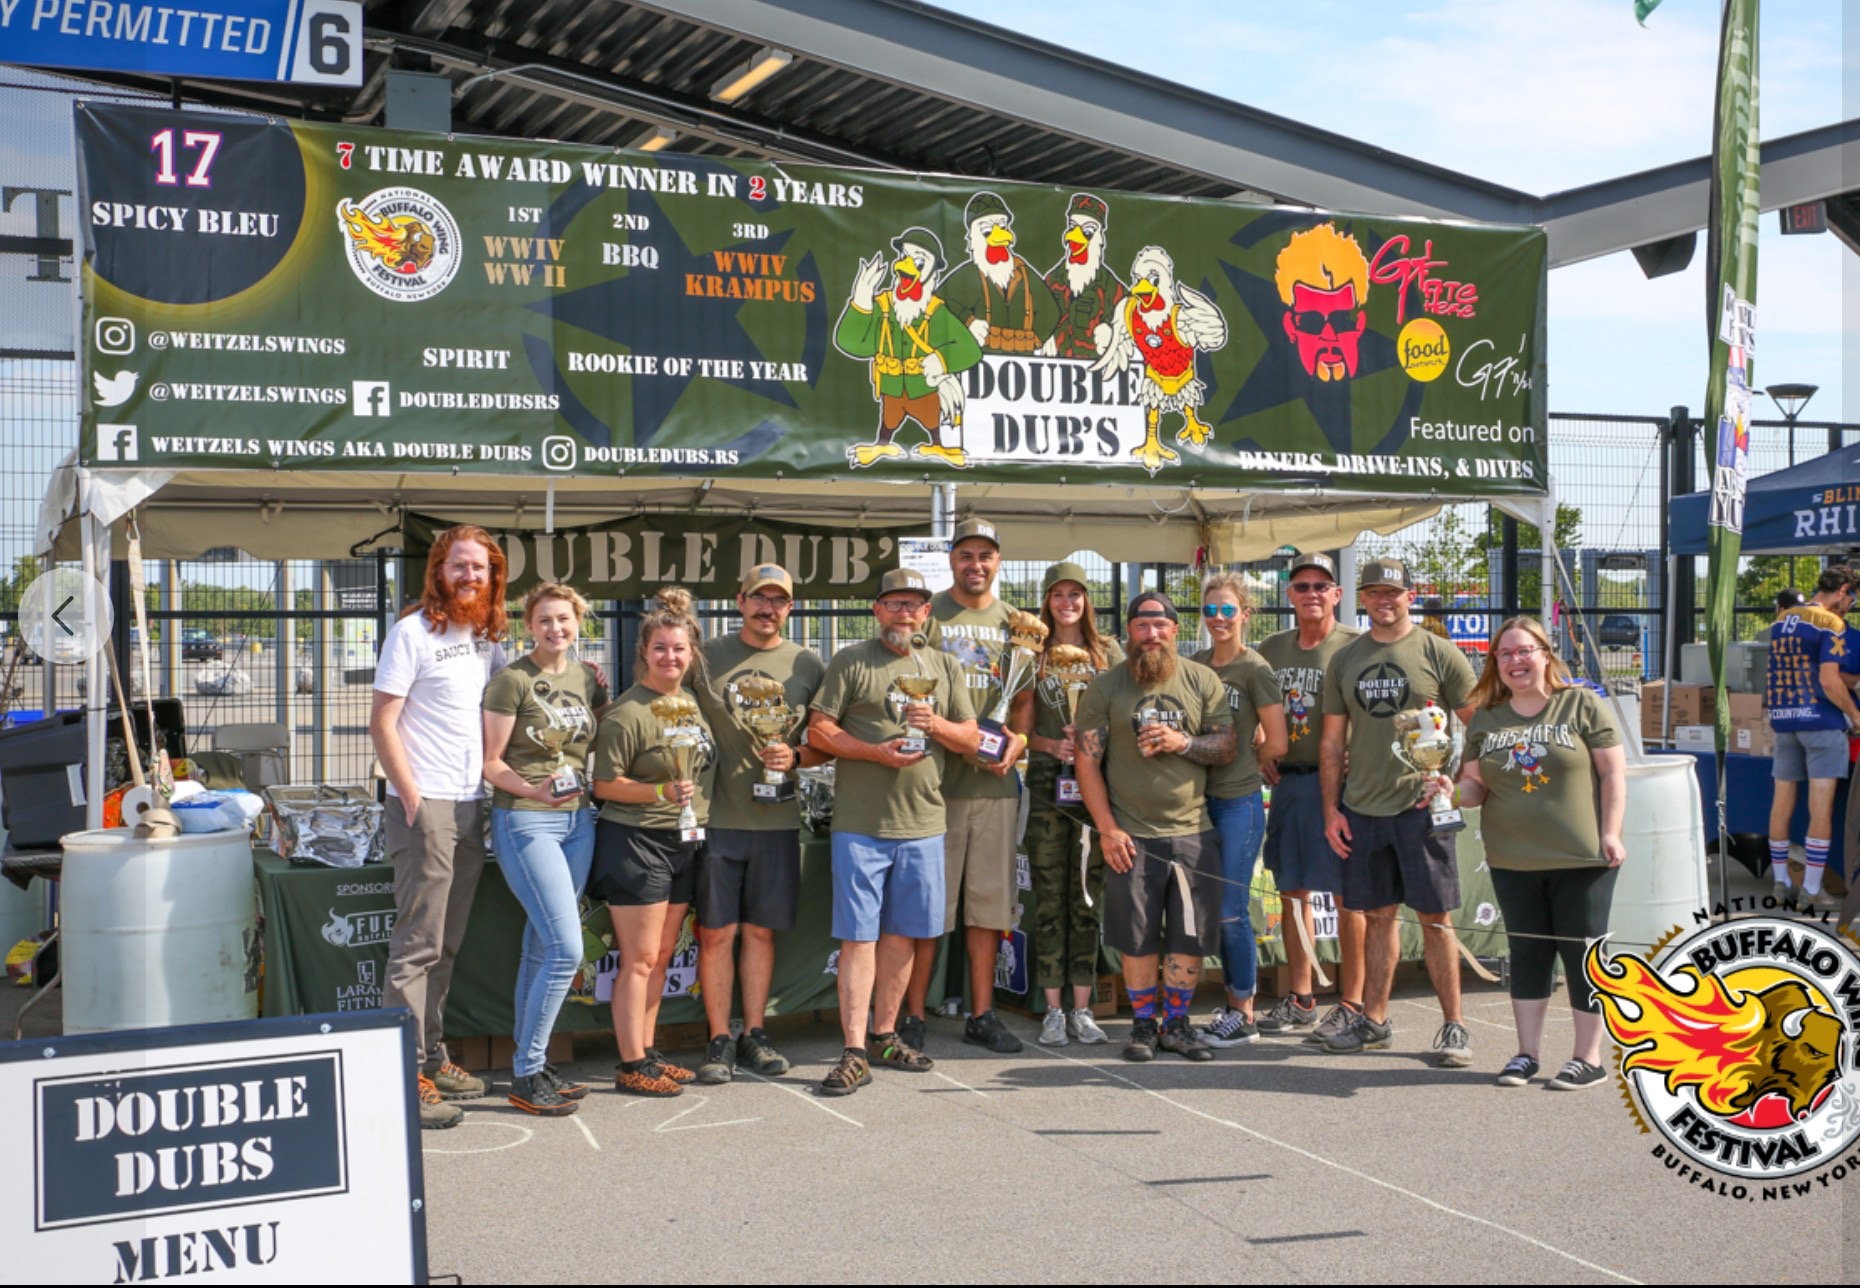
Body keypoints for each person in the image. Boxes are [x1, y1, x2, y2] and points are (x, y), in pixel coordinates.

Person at [808, 568, 981, 1095]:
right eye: (893, 603)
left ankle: (885, 1034)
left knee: (903, 935)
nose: (904, 612)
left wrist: (937, 727)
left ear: (926, 613)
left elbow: (971, 738)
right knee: (859, 939)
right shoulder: (850, 661)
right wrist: (873, 753)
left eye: (914, 604)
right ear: (877, 611)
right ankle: (854, 1049)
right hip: (862, 825)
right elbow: (819, 729)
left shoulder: (944, 666)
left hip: (925, 823)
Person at [1445, 617, 1626, 1090]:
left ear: (1545, 654)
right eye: (1504, 654)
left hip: (1581, 858)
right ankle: (1526, 1054)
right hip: (1512, 860)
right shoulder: (1486, 716)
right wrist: (1447, 793)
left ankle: (1588, 1058)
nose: (1514, 661)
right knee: (1527, 955)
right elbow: (1475, 788)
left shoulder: (1581, 704)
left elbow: (1613, 775)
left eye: (1524, 651)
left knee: (1583, 957)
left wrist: (1611, 833)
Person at [370, 524, 508, 1130]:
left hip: (471, 803)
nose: (470, 576)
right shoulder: (411, 633)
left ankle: (432, 1056)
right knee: (417, 945)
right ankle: (402, 1074)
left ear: (493, 576)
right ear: (439, 571)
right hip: (425, 806)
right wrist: (410, 795)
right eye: (460, 566)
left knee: (446, 944)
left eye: (480, 568)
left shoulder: (488, 641)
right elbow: (382, 721)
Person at [1319, 557, 1478, 1066]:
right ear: (1361, 599)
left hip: (1422, 808)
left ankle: (1454, 1025)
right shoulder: (1344, 660)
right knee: (1378, 918)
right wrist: (1331, 809)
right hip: (1363, 808)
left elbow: (1482, 723)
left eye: (1393, 592)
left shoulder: (1439, 652)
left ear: (1411, 596)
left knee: (1435, 918)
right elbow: (1329, 743)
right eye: (1374, 593)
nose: (1383, 601)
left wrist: (1456, 777)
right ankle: (1375, 1022)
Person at [1074, 591, 1235, 1063]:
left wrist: (1182, 741)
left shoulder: (1202, 679)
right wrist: (1107, 828)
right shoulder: (1106, 687)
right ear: (1129, 632)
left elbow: (1226, 745)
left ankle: (1178, 1025)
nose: (1151, 635)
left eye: (1160, 626)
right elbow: (1087, 762)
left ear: (1175, 631)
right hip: (1130, 834)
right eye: (1141, 626)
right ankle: (1144, 1025)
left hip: (1191, 830)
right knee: (1137, 935)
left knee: (1189, 936)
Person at [689, 564, 828, 1084]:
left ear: (790, 608)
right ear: (739, 600)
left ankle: (754, 1034)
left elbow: (823, 742)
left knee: (761, 934)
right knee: (717, 934)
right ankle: (718, 1039)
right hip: (716, 818)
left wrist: (794, 756)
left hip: (777, 818)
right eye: (759, 598)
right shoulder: (705, 659)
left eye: (779, 601)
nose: (768, 609)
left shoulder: (807, 664)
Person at [481, 582, 607, 1117]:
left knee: (541, 947)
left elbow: (595, 738)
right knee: (566, 950)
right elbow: (491, 762)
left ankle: (529, 1064)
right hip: (528, 820)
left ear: (579, 622)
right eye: (545, 620)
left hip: (578, 821)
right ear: (528, 626)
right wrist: (532, 790)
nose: (557, 629)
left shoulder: (586, 677)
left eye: (565, 619)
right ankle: (529, 1070)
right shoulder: (511, 680)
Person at [906, 518, 1029, 1056]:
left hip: (996, 786)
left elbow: (1024, 701)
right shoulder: (931, 615)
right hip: (938, 786)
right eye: (966, 555)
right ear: (952, 559)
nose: (975, 565)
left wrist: (1019, 743)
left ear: (998, 561)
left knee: (988, 907)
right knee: (930, 908)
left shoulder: (1017, 624)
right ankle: (910, 1013)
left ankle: (982, 1014)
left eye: (985, 556)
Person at [589, 588, 717, 1097]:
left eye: (679, 648)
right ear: (644, 651)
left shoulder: (686, 703)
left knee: (662, 955)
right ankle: (630, 1063)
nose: (670, 656)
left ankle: (647, 1049)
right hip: (635, 841)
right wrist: (658, 790)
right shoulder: (628, 712)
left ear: (692, 654)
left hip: (683, 839)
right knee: (639, 958)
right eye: (660, 647)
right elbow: (603, 785)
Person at [1010, 561, 1122, 1046]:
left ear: (1087, 601)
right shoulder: (1033, 653)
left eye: (1076, 594)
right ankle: (1053, 1008)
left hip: (1096, 787)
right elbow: (1019, 726)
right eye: (1059, 594)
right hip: (1047, 788)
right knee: (1051, 898)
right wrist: (1049, 745)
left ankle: (1083, 1007)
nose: (1068, 602)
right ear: (1047, 600)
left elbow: (1124, 716)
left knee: (1088, 896)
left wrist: (1093, 737)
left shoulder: (1108, 653)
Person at [1253, 553, 1362, 1040]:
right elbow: (1255, 711)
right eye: (1302, 586)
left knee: (1346, 896)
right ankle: (1301, 998)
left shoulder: (1356, 647)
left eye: (1322, 585)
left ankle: (1354, 1002)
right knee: (1292, 892)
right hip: (1290, 782)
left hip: (1340, 783)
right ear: (1289, 595)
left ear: (1337, 594)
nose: (1311, 593)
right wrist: (1261, 748)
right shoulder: (1271, 648)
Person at [1191, 572, 1288, 1046]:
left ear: (1245, 614)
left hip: (1238, 803)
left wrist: (1249, 760)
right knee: (1212, 910)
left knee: (1231, 909)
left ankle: (1244, 1013)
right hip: (1195, 803)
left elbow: (1280, 740)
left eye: (1227, 610)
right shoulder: (1194, 664)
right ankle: (1232, 1002)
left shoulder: (1256, 669)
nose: (1218, 619)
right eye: (1210, 610)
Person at [1766, 566, 1860, 912]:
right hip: (1820, 720)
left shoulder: (1783, 618)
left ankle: (1780, 882)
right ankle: (1811, 888)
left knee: (1782, 802)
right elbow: (1831, 681)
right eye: (1852, 598)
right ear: (1843, 590)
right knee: (1819, 806)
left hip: (1782, 718)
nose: (1850, 605)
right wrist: (1855, 714)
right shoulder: (1831, 623)